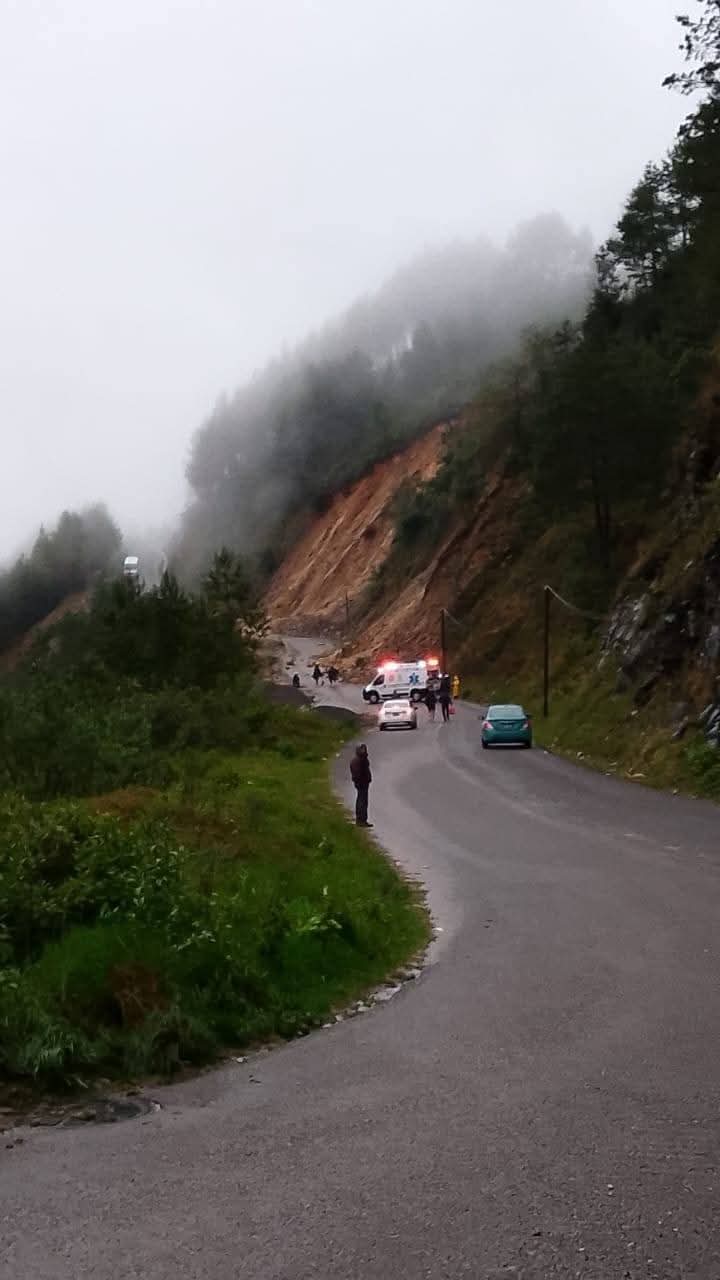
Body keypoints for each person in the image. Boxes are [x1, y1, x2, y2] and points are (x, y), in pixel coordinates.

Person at [350, 743, 373, 827]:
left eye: (364, 749)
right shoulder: (358, 761)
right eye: (362, 749)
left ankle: (363, 820)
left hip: (364, 783)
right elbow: (357, 774)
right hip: (361, 783)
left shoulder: (363, 759)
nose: (364, 751)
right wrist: (360, 781)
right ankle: (361, 820)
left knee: (363, 801)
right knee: (362, 801)